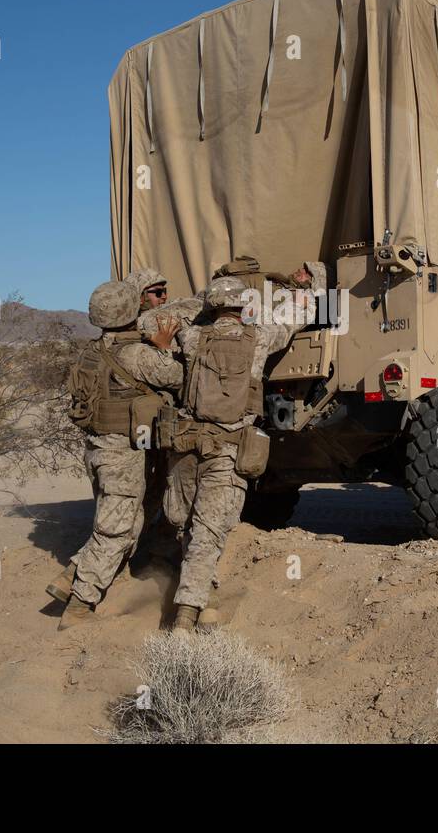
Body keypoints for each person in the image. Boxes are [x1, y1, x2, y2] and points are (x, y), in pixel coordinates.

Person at [162, 262, 325, 630]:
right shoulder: (260, 338)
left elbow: (157, 321)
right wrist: (311, 280)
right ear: (243, 307)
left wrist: (196, 303)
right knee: (209, 529)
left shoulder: (190, 339)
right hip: (229, 448)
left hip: (187, 446)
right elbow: (300, 313)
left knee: (185, 524)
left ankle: (207, 598)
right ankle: (187, 615)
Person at [48, 279, 181, 629]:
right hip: (123, 453)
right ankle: (80, 602)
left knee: (124, 518)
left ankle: (71, 574)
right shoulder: (137, 354)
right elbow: (177, 377)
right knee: (116, 530)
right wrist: (164, 347)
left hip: (97, 449)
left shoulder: (90, 352)